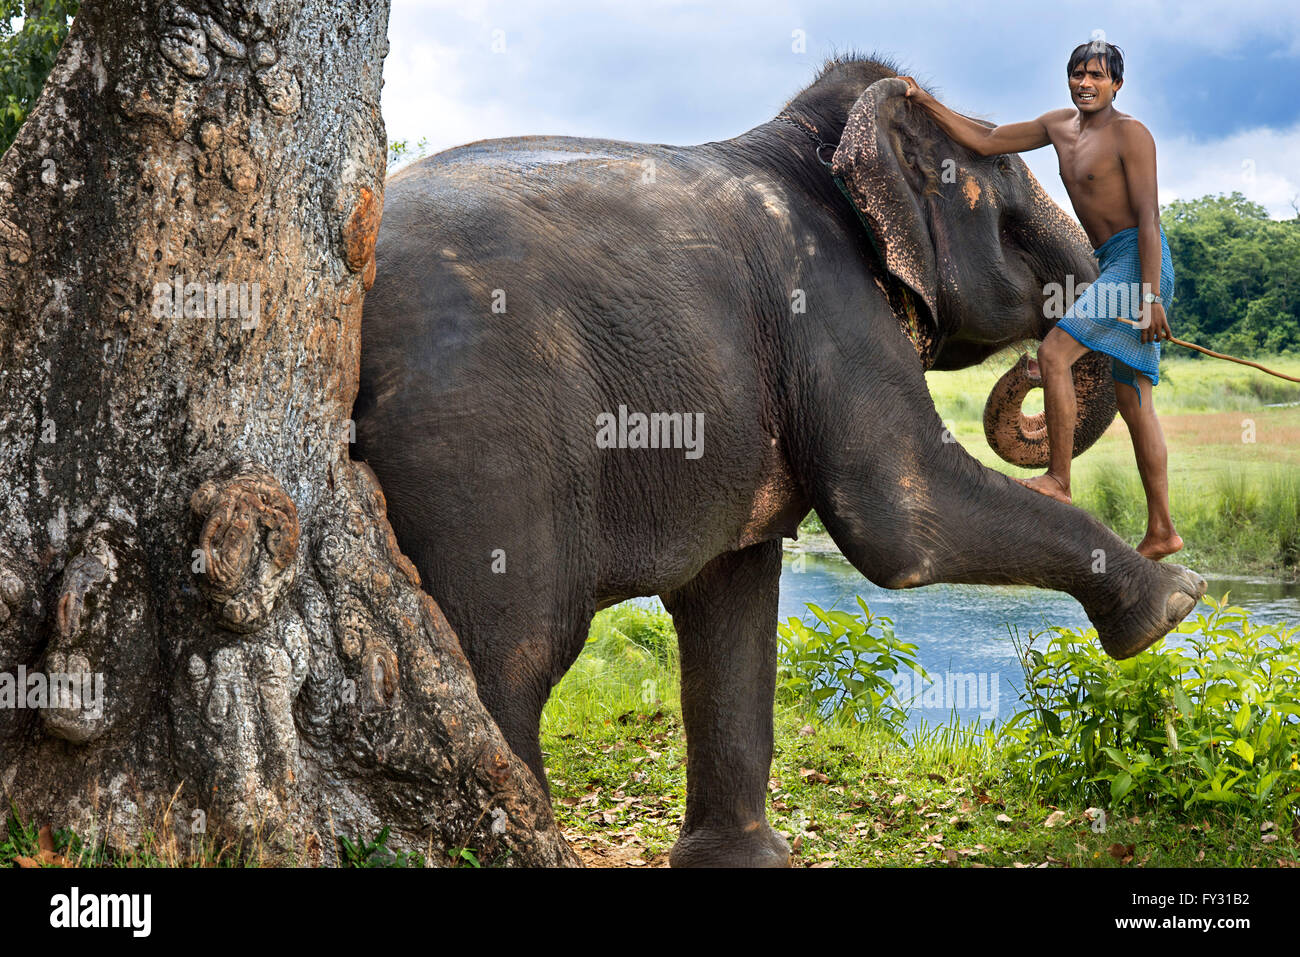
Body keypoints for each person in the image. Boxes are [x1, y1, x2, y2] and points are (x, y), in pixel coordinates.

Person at [898, 40, 1182, 560]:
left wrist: (1152, 297)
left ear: (1117, 84)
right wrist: (924, 101)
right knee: (1135, 400)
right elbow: (986, 141)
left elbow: (1149, 219)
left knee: (1054, 355)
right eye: (1077, 74)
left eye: (1096, 75)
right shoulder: (1057, 127)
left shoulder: (1131, 135)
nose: (1085, 83)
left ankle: (1058, 479)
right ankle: (1162, 530)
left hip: (1137, 266)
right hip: (1108, 261)